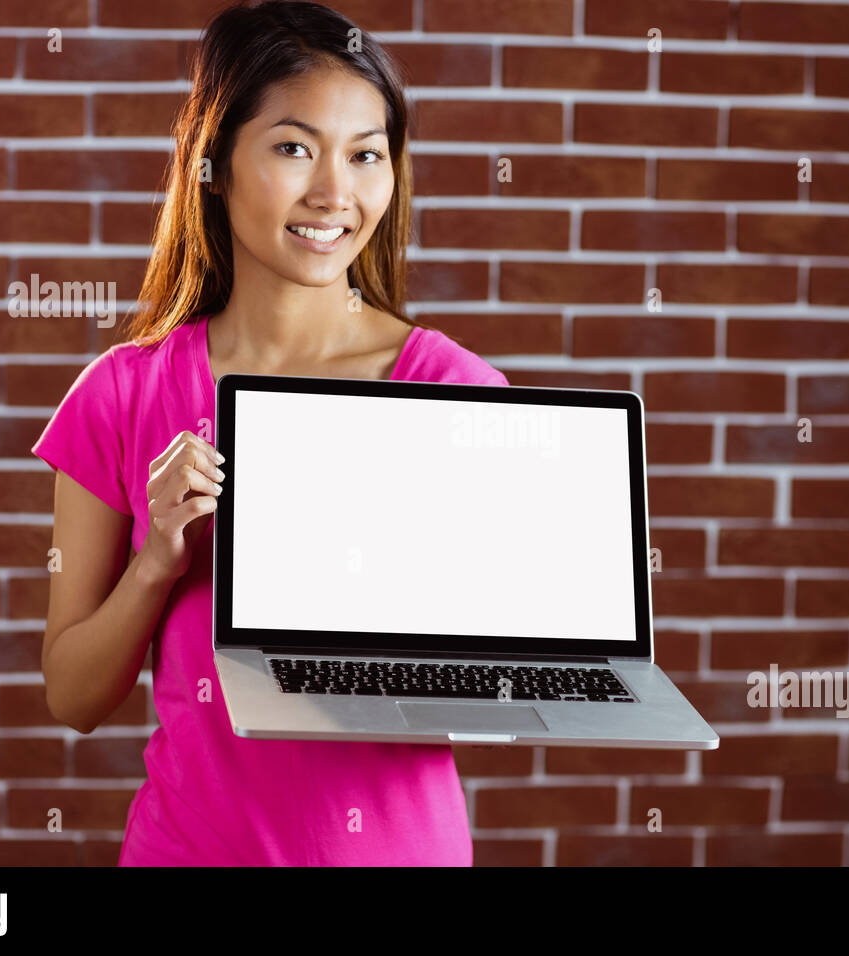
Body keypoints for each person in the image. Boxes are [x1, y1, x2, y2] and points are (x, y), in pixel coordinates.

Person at [31, 0, 508, 866]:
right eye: (293, 148)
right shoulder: (122, 394)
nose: (334, 194)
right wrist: (158, 560)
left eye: (365, 155)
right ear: (213, 165)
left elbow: (492, 682)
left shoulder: (454, 392)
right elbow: (73, 696)